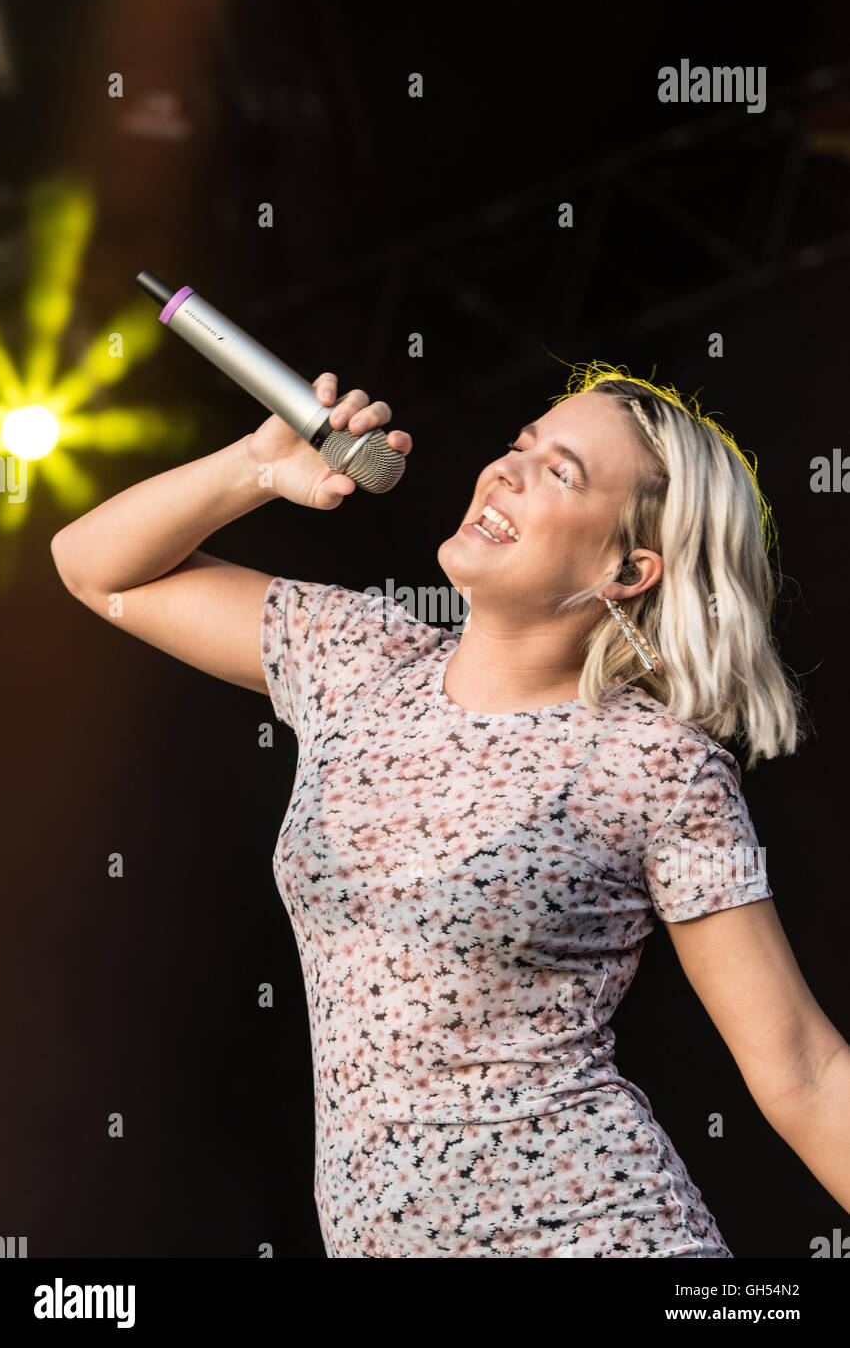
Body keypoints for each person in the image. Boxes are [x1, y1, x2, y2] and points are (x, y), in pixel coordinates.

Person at [50, 361, 850, 1258]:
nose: (505, 470)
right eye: (520, 446)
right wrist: (257, 466)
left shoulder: (655, 764)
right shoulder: (356, 660)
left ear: (628, 568)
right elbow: (92, 567)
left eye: (561, 472)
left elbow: (807, 1072)